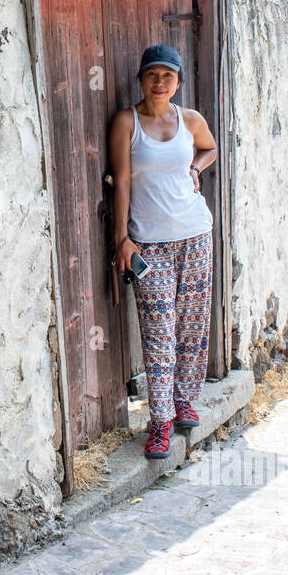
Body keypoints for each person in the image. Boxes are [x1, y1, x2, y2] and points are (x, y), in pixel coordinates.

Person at [108, 44, 218, 460]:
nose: (159, 82)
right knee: (158, 333)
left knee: (191, 325)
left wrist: (195, 167)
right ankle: (160, 421)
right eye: (152, 74)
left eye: (167, 75)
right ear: (141, 78)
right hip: (148, 242)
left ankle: (184, 400)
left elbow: (210, 148)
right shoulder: (126, 122)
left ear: (177, 81)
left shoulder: (190, 120)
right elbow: (121, 182)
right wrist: (122, 238)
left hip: (194, 234)